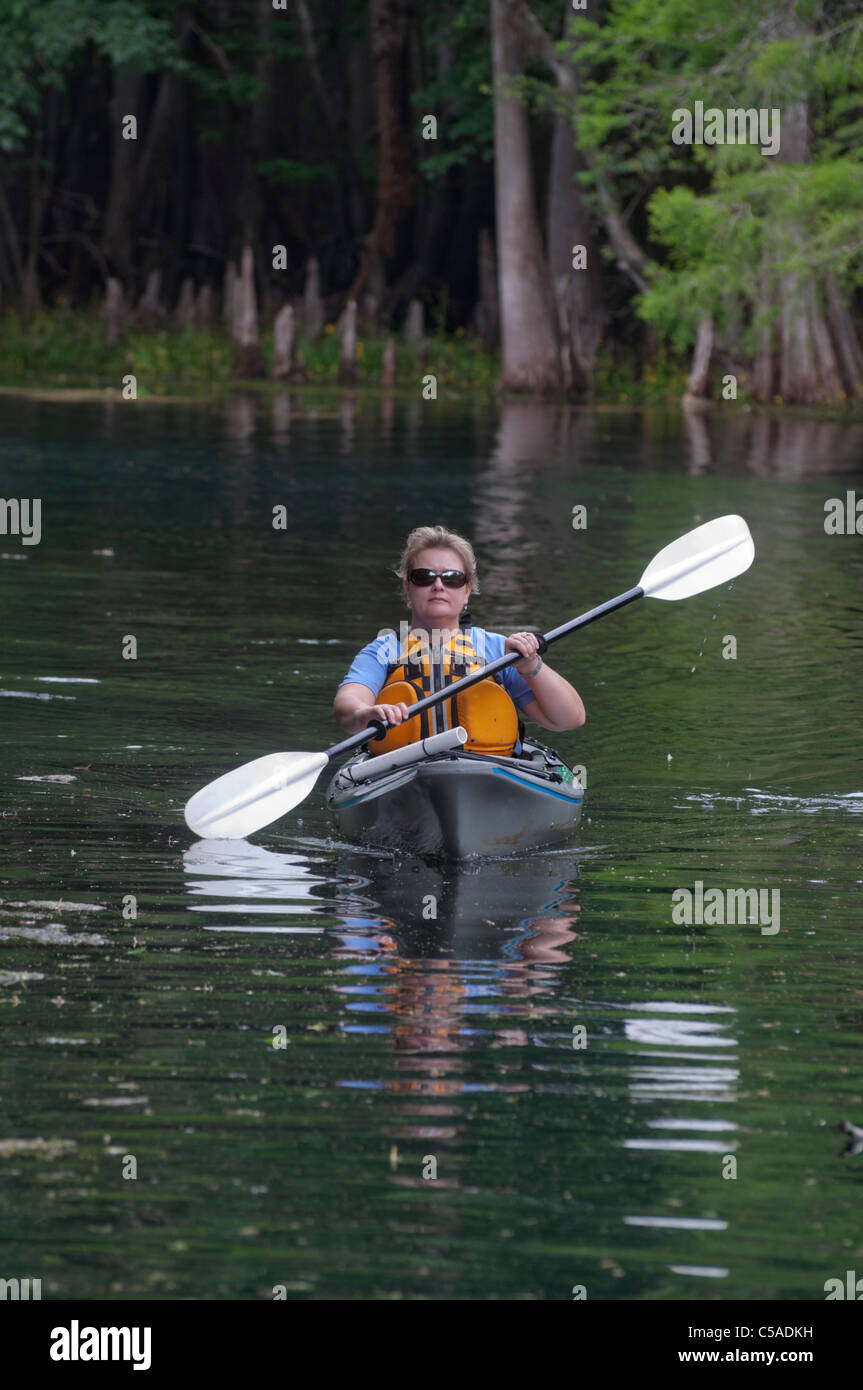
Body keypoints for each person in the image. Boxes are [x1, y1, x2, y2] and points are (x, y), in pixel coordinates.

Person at [334, 525, 585, 746]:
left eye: (452, 578)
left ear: (466, 591)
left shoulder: (500, 651)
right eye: (424, 577)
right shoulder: (384, 650)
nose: (438, 585)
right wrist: (365, 714)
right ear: (407, 588)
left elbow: (568, 719)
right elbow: (348, 704)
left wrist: (531, 666)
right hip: (401, 770)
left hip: (486, 774)